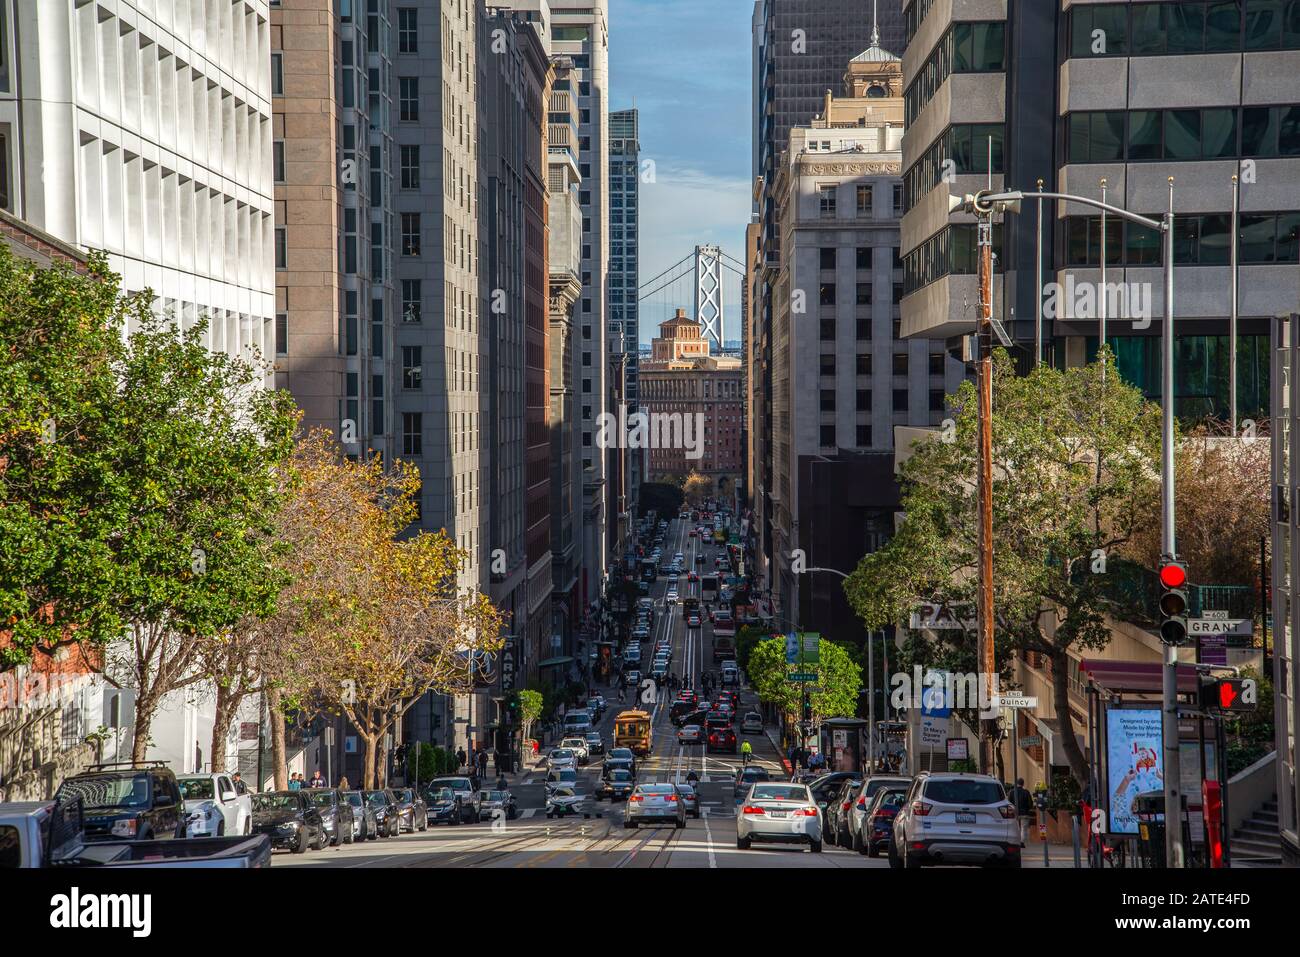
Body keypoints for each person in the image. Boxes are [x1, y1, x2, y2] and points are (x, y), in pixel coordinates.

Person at [1010, 777, 1034, 847]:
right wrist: (1027, 808)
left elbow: (1009, 803)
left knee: (1015, 827)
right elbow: (1030, 804)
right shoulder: (1026, 792)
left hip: (1014, 813)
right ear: (1023, 784)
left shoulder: (1011, 792)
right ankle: (1022, 842)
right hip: (1025, 813)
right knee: (1024, 828)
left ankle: (1014, 841)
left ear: (1016, 783)